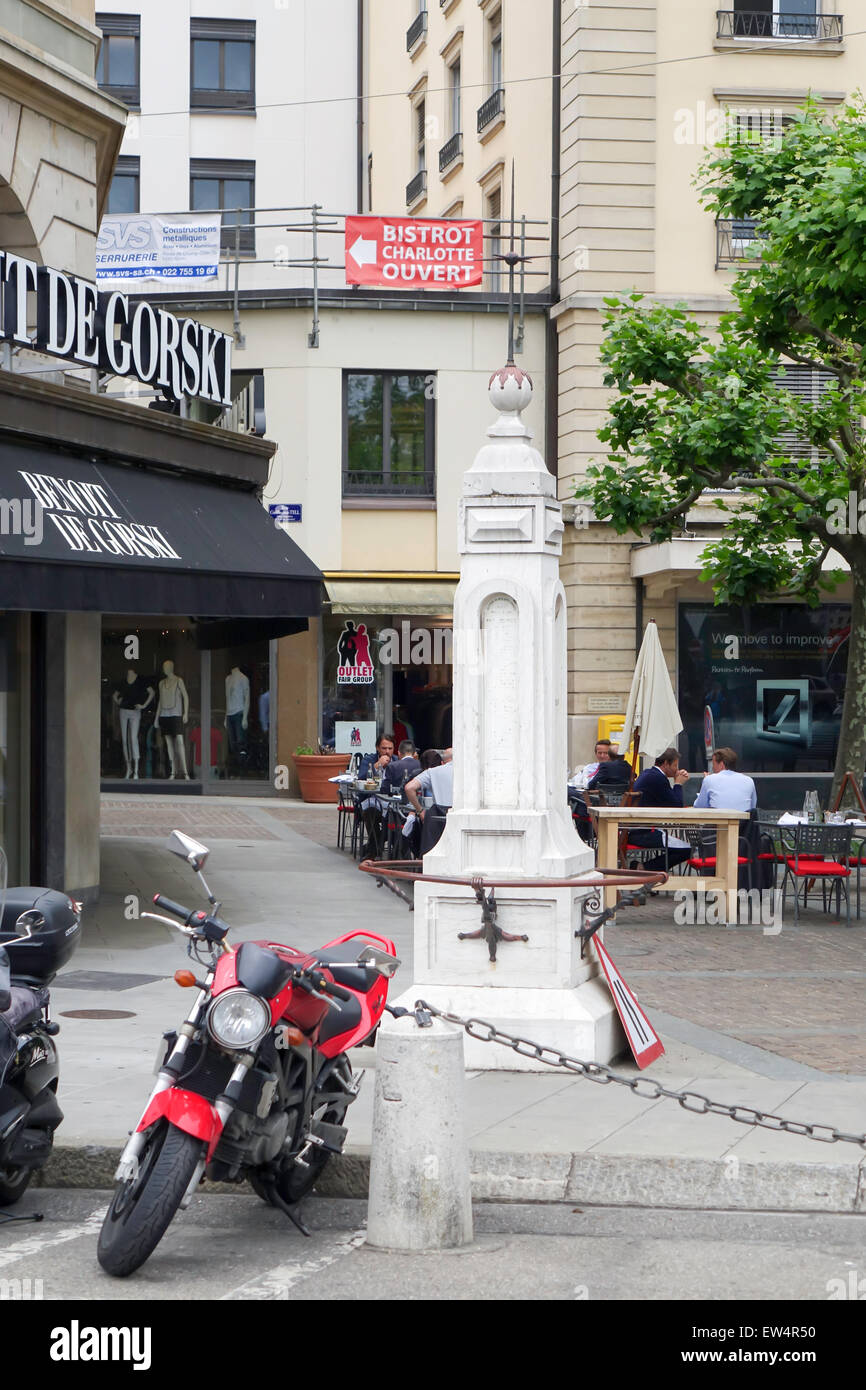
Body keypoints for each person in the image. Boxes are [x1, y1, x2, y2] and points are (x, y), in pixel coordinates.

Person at [628, 746, 692, 874]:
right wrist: (678, 784)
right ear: (666, 764)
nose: (677, 770)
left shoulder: (648, 774)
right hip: (645, 833)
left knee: (680, 847)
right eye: (675, 765)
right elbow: (676, 807)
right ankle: (644, 869)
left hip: (636, 830)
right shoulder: (658, 779)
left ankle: (646, 869)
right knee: (687, 850)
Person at [405, 758, 454, 855]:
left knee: (430, 854)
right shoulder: (472, 771)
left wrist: (420, 811)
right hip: (461, 813)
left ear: (443, 762)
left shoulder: (433, 771)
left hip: (437, 814)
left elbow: (409, 788)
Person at [693, 747, 757, 813]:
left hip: (719, 822)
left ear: (721, 765)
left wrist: (706, 782)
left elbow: (699, 806)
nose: (712, 768)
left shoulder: (709, 779)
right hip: (743, 822)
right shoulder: (749, 780)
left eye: (714, 764)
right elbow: (752, 807)